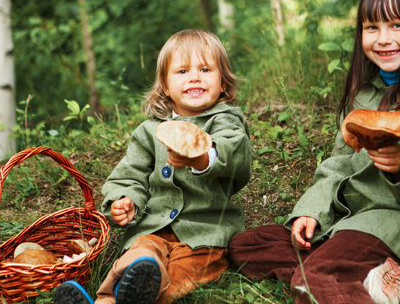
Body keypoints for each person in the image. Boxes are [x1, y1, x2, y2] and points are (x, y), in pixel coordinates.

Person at [228, 0, 400, 304]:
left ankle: (334, 275)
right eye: (372, 28)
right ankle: (366, 275)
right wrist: (313, 211)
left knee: (313, 279)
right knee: (246, 246)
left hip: (396, 220)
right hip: (348, 217)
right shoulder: (364, 96)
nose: (383, 39)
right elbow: (339, 162)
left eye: (397, 26)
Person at [54, 29, 253, 304]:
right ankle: (111, 296)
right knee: (140, 256)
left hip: (204, 235)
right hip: (153, 228)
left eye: (205, 69)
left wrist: (199, 156)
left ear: (222, 83)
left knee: (177, 274)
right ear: (166, 86)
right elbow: (130, 174)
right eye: (182, 71)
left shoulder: (226, 121)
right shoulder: (150, 131)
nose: (195, 77)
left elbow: (235, 154)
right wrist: (126, 201)